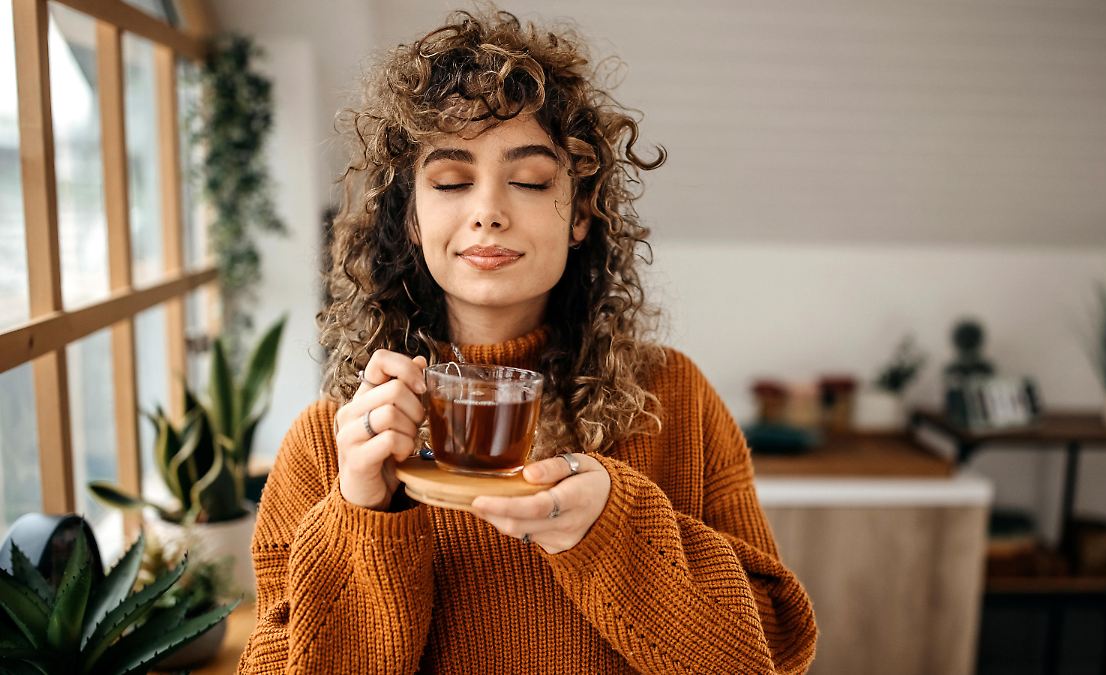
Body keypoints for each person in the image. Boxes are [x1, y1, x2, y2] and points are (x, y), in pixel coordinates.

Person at [238, 9, 817, 674]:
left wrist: (614, 532)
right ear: (413, 221)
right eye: (452, 181)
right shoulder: (333, 447)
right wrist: (362, 515)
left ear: (580, 212)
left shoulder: (674, 401)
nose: (488, 209)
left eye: (531, 180)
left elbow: (771, 651)